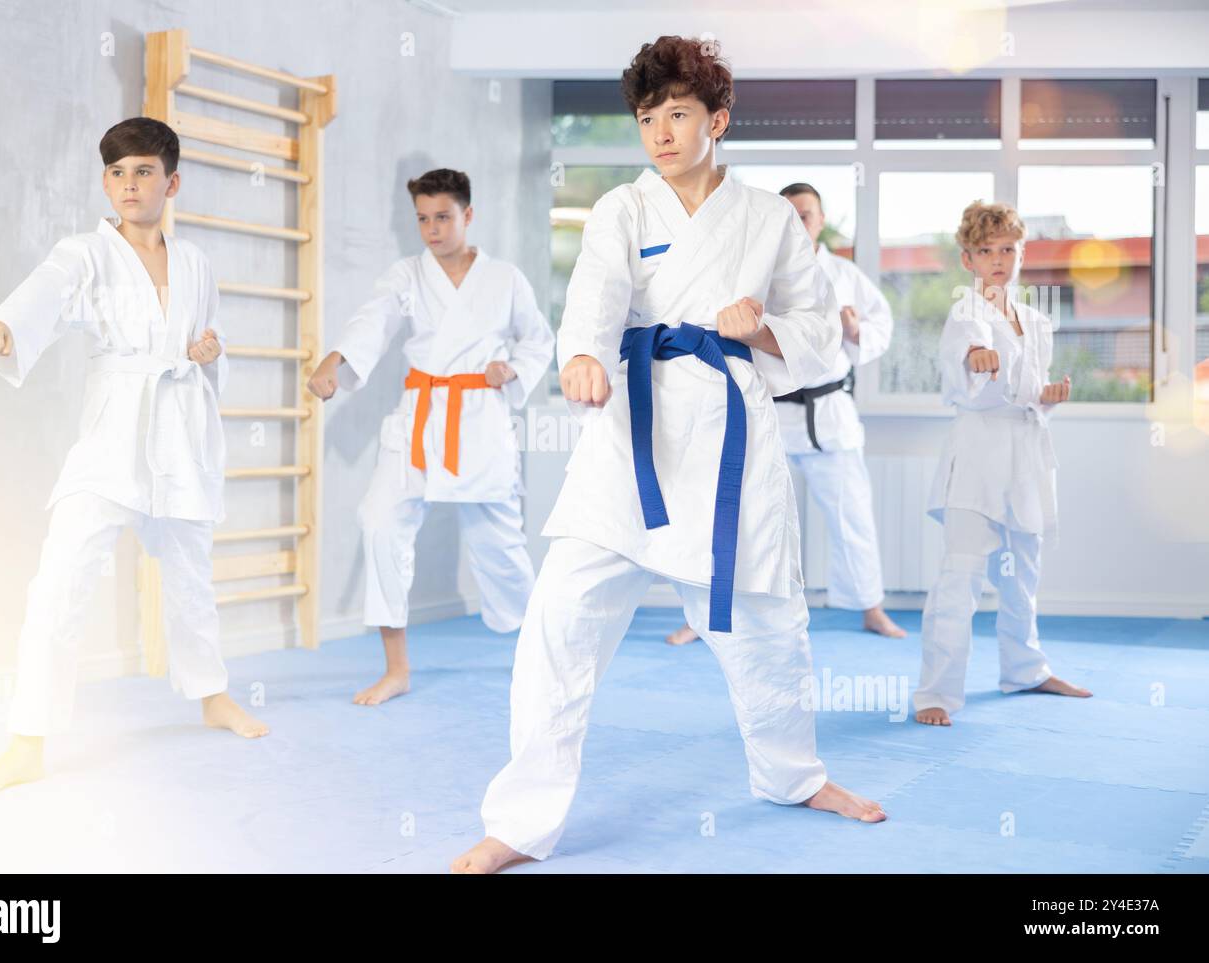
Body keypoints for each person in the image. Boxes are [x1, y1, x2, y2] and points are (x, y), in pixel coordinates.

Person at [452, 35, 886, 874]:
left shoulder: (766, 217)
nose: (659, 131)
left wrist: (758, 326)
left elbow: (822, 332)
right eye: (648, 116)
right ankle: (520, 820)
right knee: (557, 623)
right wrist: (581, 353)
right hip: (631, 436)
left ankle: (794, 776)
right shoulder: (623, 208)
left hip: (730, 440)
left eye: (678, 114)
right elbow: (595, 295)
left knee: (768, 626)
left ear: (717, 120)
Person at [0, 117, 268, 800]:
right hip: (113, 435)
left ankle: (213, 695)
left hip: (180, 428)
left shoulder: (195, 264)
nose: (130, 184)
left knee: (191, 576)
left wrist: (207, 353)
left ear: (172, 181)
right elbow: (48, 287)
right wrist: (7, 325)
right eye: (117, 173)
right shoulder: (86, 253)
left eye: (144, 172)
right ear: (106, 182)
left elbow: (205, 337)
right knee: (59, 583)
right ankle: (27, 739)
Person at [307, 169, 554, 706]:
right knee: (378, 523)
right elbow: (372, 320)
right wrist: (336, 360)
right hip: (417, 418)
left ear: (468, 215)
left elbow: (538, 340)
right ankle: (396, 668)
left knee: (500, 548)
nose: (432, 229)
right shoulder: (406, 275)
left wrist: (511, 369)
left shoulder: (506, 278)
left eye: (443, 216)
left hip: (479, 419)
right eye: (423, 218)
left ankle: (539, 658)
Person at [665, 181, 905, 645]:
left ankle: (871, 608)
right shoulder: (753, 273)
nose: (798, 221)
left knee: (852, 514)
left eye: (807, 214)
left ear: (821, 220)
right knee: (736, 515)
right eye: (789, 213)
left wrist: (856, 332)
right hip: (767, 412)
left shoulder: (845, 275)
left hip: (828, 413)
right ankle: (705, 614)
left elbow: (882, 326)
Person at [913, 199, 1092, 726]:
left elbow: (1028, 395)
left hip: (1025, 456)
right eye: (986, 250)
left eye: (1008, 248)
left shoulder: (1037, 322)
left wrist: (1049, 397)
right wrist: (977, 358)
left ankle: (1025, 669)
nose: (998, 259)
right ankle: (936, 693)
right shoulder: (965, 312)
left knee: (1022, 574)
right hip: (976, 458)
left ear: (1021, 253)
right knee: (960, 576)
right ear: (967, 259)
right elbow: (968, 360)